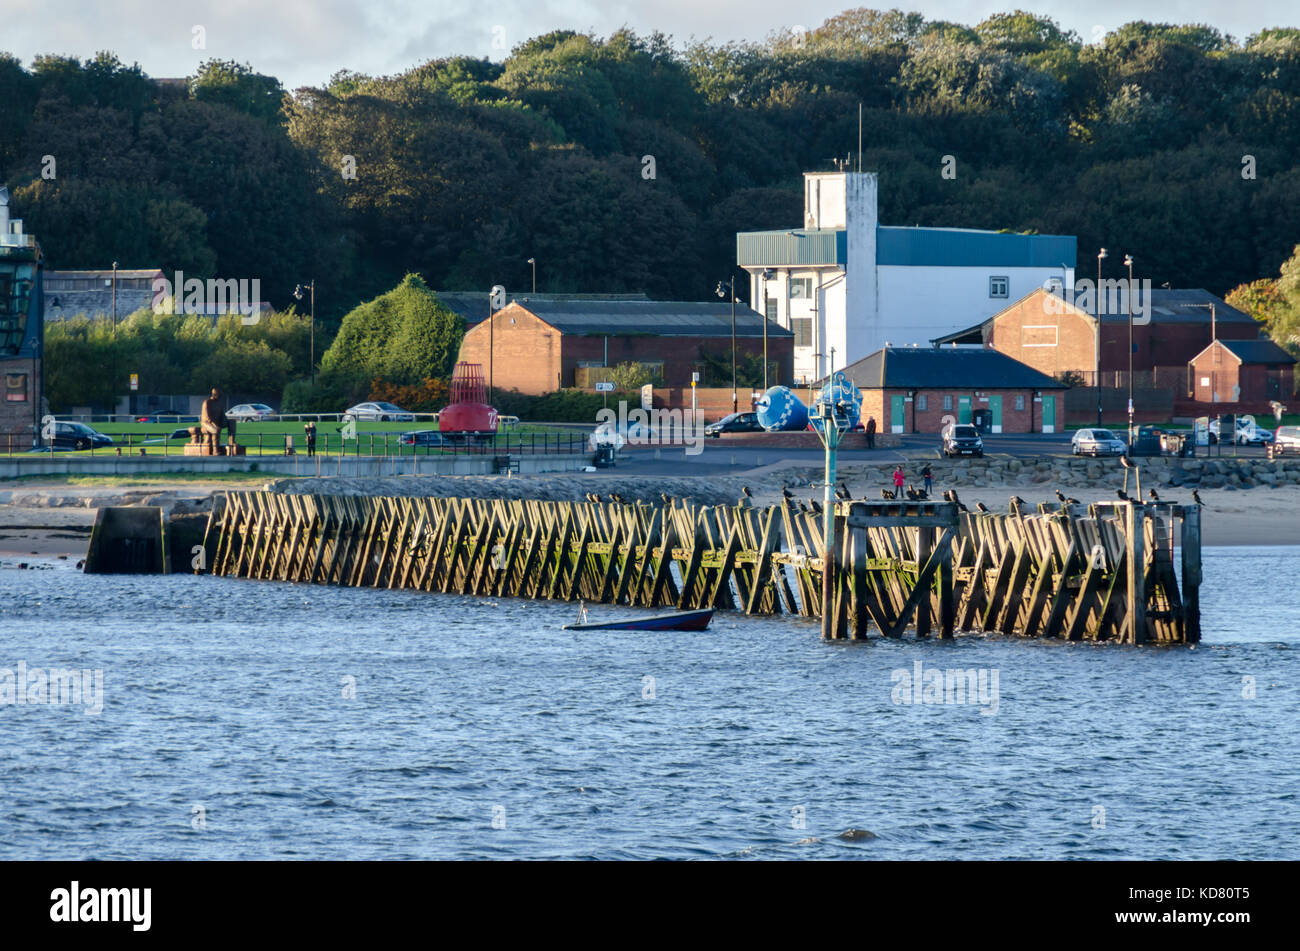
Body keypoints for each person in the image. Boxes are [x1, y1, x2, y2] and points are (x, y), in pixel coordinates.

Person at [199, 387, 235, 454]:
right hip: (206, 423)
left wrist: (226, 421)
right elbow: (207, 417)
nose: (221, 396)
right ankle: (216, 450)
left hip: (217, 422)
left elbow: (222, 416)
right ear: (214, 394)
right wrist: (214, 424)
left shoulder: (219, 403)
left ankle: (232, 443)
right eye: (219, 395)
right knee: (216, 430)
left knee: (232, 422)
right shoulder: (207, 402)